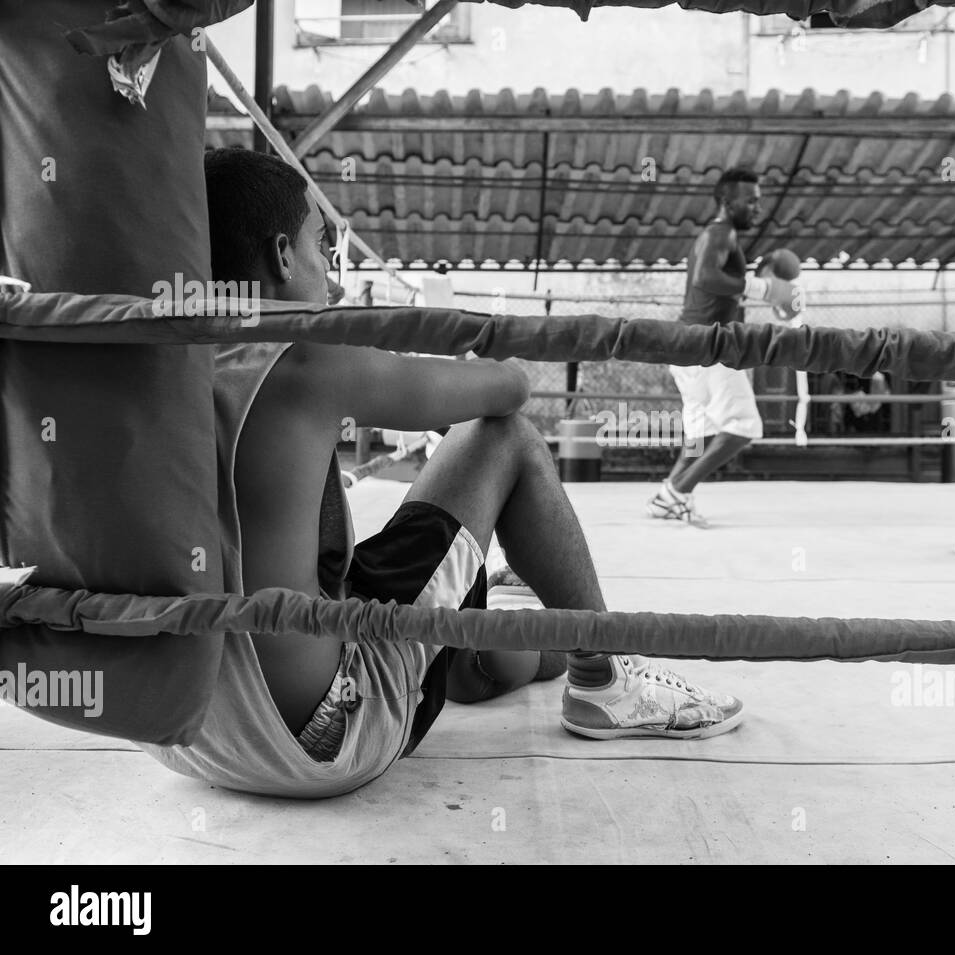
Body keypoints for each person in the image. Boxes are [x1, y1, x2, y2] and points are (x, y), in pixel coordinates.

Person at [139, 148, 743, 798]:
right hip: (320, 736)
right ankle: (604, 676)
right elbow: (505, 391)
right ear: (283, 255)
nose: (336, 282)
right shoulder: (307, 363)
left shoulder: (143, 360)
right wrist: (456, 334)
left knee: (485, 656)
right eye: (324, 248)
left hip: (181, 732)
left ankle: (497, 631)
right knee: (505, 440)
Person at [647, 167, 801, 527]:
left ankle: (664, 497)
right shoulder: (721, 233)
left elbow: (718, 281)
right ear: (726, 202)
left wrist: (760, 282)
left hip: (687, 348)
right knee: (743, 427)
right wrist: (764, 289)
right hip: (707, 347)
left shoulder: (719, 236)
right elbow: (707, 278)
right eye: (750, 201)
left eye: (759, 201)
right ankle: (675, 494)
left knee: (700, 435)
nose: (757, 208)